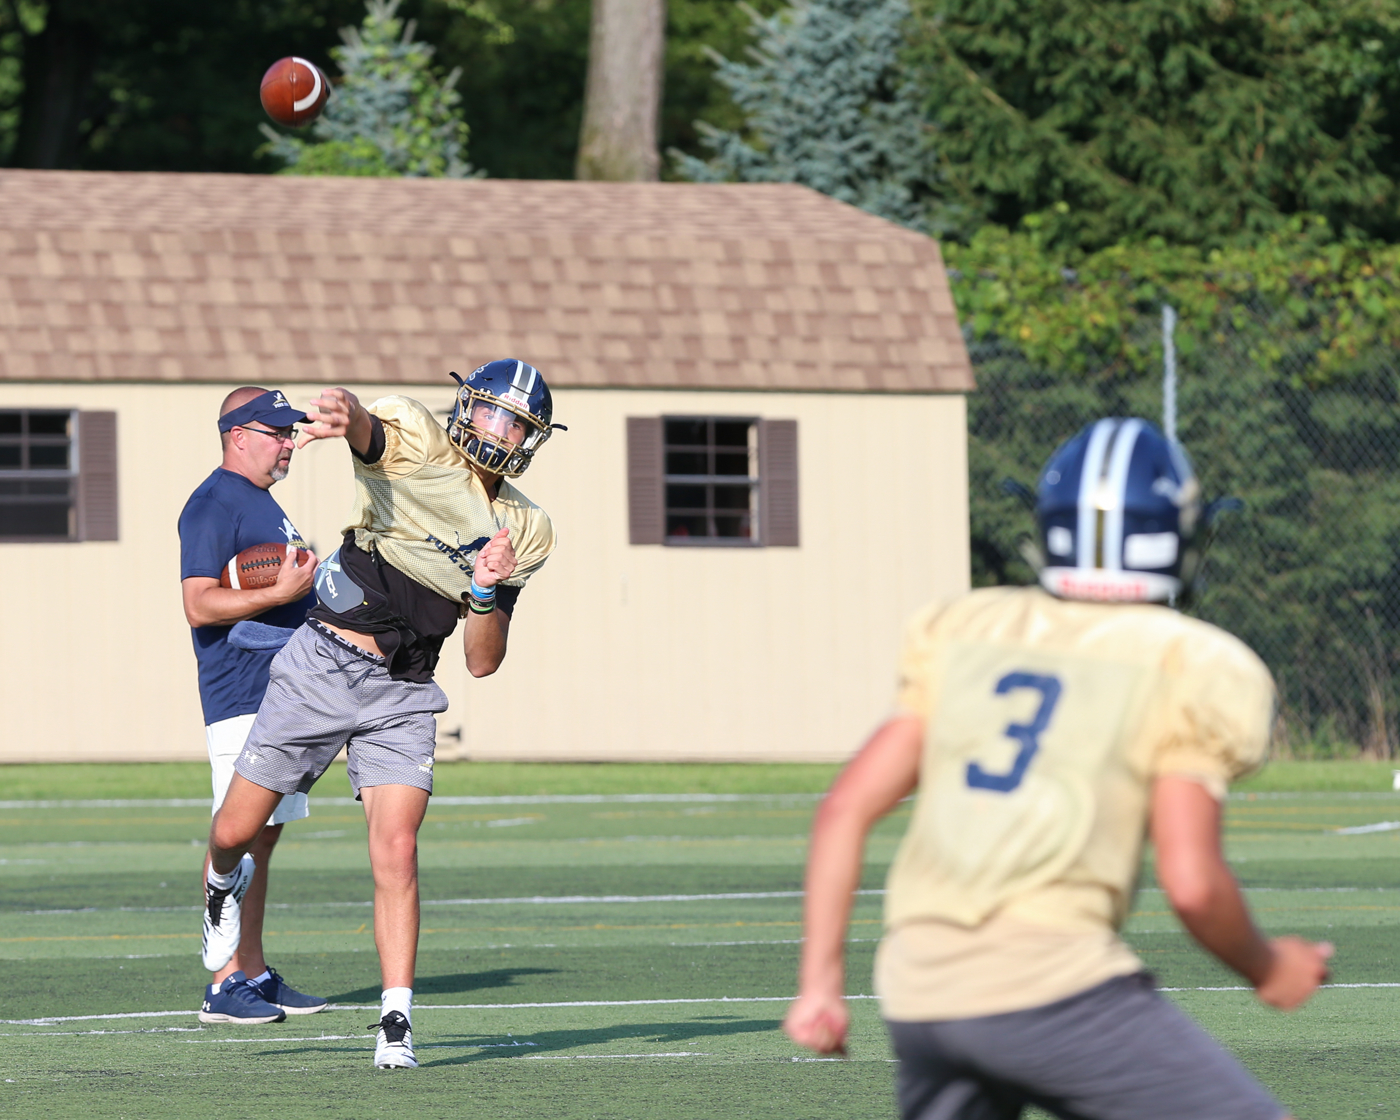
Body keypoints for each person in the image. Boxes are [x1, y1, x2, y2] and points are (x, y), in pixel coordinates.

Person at [782, 417, 1334, 1120]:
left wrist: (821, 984)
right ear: (1181, 536)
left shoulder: (965, 630)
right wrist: (1271, 966)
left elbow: (844, 810)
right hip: (1050, 983)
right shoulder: (1191, 661)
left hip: (920, 987)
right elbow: (1192, 885)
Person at [198, 360, 560, 1069]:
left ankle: (396, 1022)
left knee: (397, 848)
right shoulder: (418, 437)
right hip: (325, 662)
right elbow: (369, 432)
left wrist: (484, 592)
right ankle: (218, 884)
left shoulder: (524, 524)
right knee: (236, 830)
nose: (497, 429)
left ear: (531, 437)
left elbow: (483, 661)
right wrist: (346, 410)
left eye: (514, 422)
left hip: (405, 686)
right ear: (465, 408)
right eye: (489, 412)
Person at [178, 387, 328, 1025]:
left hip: (283, 692)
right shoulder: (213, 503)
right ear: (238, 433)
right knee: (235, 832)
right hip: (240, 691)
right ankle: (221, 984)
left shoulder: (263, 503)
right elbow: (198, 603)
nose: (290, 441)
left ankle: (253, 971)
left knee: (264, 839)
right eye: (277, 432)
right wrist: (280, 593)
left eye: (292, 432)